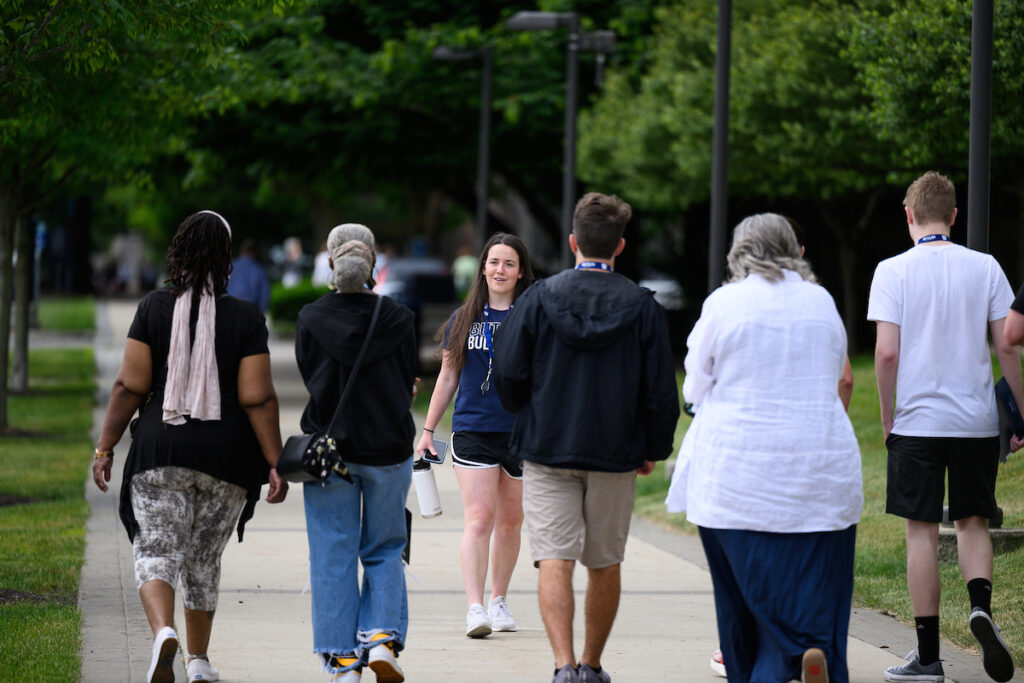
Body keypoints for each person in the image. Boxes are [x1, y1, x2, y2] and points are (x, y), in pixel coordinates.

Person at [91, 210, 288, 683]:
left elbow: (129, 386)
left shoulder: (154, 308)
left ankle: (164, 633)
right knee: (202, 560)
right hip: (226, 459)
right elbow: (256, 396)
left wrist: (105, 447)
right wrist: (275, 461)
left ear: (177, 250)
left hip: (162, 451)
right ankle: (198, 661)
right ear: (226, 258)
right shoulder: (245, 317)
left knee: (157, 550)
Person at [492, 193, 679, 683]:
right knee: (604, 560)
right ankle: (593, 666)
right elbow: (660, 390)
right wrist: (653, 448)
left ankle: (563, 666)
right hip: (615, 451)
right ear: (619, 246)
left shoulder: (536, 299)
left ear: (573, 241)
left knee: (553, 556)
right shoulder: (642, 307)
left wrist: (527, 412)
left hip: (548, 445)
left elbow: (508, 373)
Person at [666, 213, 861, 683]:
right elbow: (839, 370)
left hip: (736, 475)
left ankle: (768, 666)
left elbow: (694, 385)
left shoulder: (725, 302)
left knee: (740, 597)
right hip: (822, 470)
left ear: (740, 251)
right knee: (818, 580)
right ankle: (811, 649)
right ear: (795, 250)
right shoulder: (821, 301)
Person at [868, 171, 1022, 683]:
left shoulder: (892, 271)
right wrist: (1021, 409)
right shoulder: (987, 267)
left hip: (917, 422)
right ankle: (980, 608)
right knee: (975, 520)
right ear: (954, 216)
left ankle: (928, 657)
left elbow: (887, 352)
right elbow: (1007, 345)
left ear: (908, 215)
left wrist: (889, 415)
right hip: (976, 422)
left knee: (922, 532)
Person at [295, 223, 417, 683]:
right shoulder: (400, 318)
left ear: (330, 263)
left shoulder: (309, 318)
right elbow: (406, 383)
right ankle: (382, 638)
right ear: (373, 266)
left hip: (329, 452)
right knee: (386, 547)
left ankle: (342, 659)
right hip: (387, 447)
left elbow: (312, 378)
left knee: (332, 551)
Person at [414, 233, 535, 638]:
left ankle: (499, 601)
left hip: (521, 432)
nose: (501, 270)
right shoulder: (463, 319)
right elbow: (447, 378)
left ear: (521, 272)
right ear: (482, 267)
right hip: (473, 430)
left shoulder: (532, 317)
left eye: (509, 264)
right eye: (494, 262)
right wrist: (428, 431)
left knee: (511, 522)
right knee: (480, 519)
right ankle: (476, 607)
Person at [227, 239, 271, 312]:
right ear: (254, 252)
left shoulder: (230, 266)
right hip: (249, 310)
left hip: (229, 308)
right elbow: (264, 296)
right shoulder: (258, 269)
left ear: (241, 251)